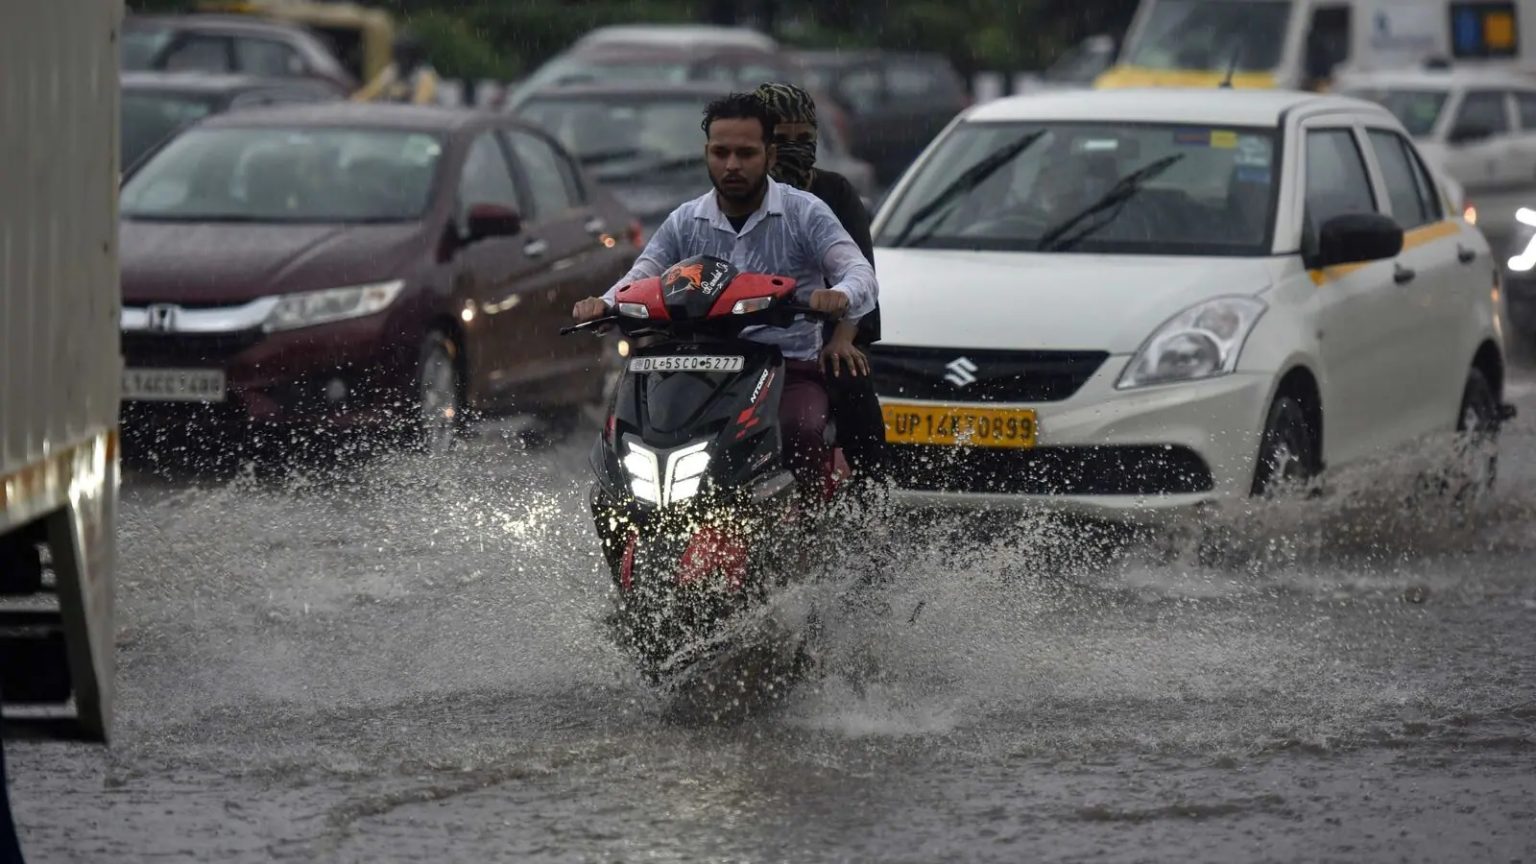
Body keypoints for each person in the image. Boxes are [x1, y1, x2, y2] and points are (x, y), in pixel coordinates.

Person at [572, 93, 877, 487]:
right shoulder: (685, 220)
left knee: (798, 429)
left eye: (746, 153)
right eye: (721, 152)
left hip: (786, 369)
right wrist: (605, 303)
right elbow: (643, 274)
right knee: (634, 438)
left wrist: (841, 294)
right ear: (706, 154)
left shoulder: (806, 212)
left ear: (769, 155)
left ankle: (810, 537)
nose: (732, 164)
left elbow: (859, 272)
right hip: (698, 369)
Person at [754, 82, 886, 482]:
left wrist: (843, 337)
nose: (794, 147)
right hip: (748, 333)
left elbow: (860, 272)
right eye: (781, 138)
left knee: (852, 380)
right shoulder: (738, 194)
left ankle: (867, 497)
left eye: (804, 138)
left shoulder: (835, 192)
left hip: (828, 329)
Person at [351, 31, 439, 105]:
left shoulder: (425, 75)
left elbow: (420, 104)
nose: (402, 60)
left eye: (406, 55)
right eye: (399, 56)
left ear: (415, 57)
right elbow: (367, 94)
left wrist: (402, 95)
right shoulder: (392, 71)